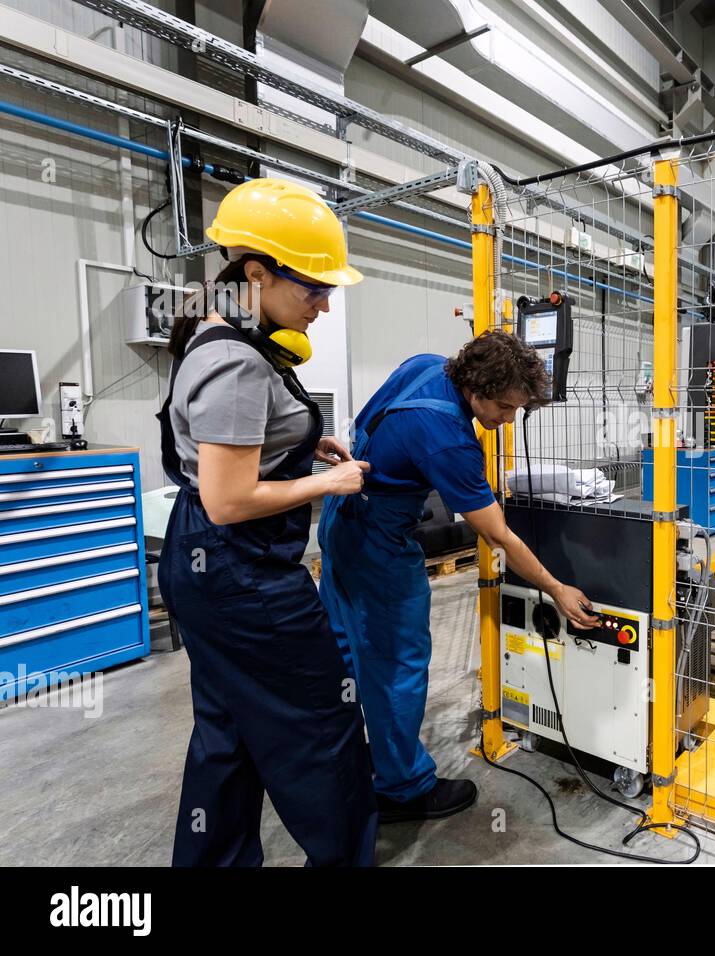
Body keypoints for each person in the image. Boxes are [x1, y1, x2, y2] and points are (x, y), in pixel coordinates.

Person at [158, 178, 377, 866]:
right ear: (257, 273)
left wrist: (299, 442)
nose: (324, 303)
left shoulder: (219, 332)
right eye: (313, 288)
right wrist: (330, 482)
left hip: (205, 563)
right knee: (322, 724)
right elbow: (229, 500)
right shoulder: (236, 364)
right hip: (241, 571)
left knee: (229, 728)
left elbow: (222, 449)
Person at [318, 331, 600, 824]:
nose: (509, 420)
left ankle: (344, 763)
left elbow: (370, 422)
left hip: (339, 523)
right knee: (396, 667)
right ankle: (402, 789)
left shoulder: (426, 365)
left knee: (344, 655)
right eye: (507, 407)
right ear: (476, 389)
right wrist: (556, 589)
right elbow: (498, 537)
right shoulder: (449, 439)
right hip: (378, 547)